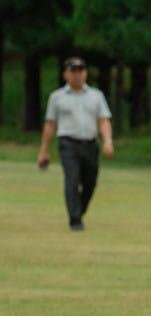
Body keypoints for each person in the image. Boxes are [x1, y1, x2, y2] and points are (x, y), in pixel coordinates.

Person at [36, 58, 115, 231]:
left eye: (81, 71)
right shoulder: (57, 97)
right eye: (73, 71)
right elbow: (50, 124)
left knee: (90, 182)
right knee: (72, 179)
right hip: (68, 143)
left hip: (90, 143)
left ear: (86, 73)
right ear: (65, 74)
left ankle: (78, 211)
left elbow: (103, 120)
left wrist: (108, 140)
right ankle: (75, 220)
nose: (77, 75)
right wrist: (43, 151)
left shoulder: (96, 95)